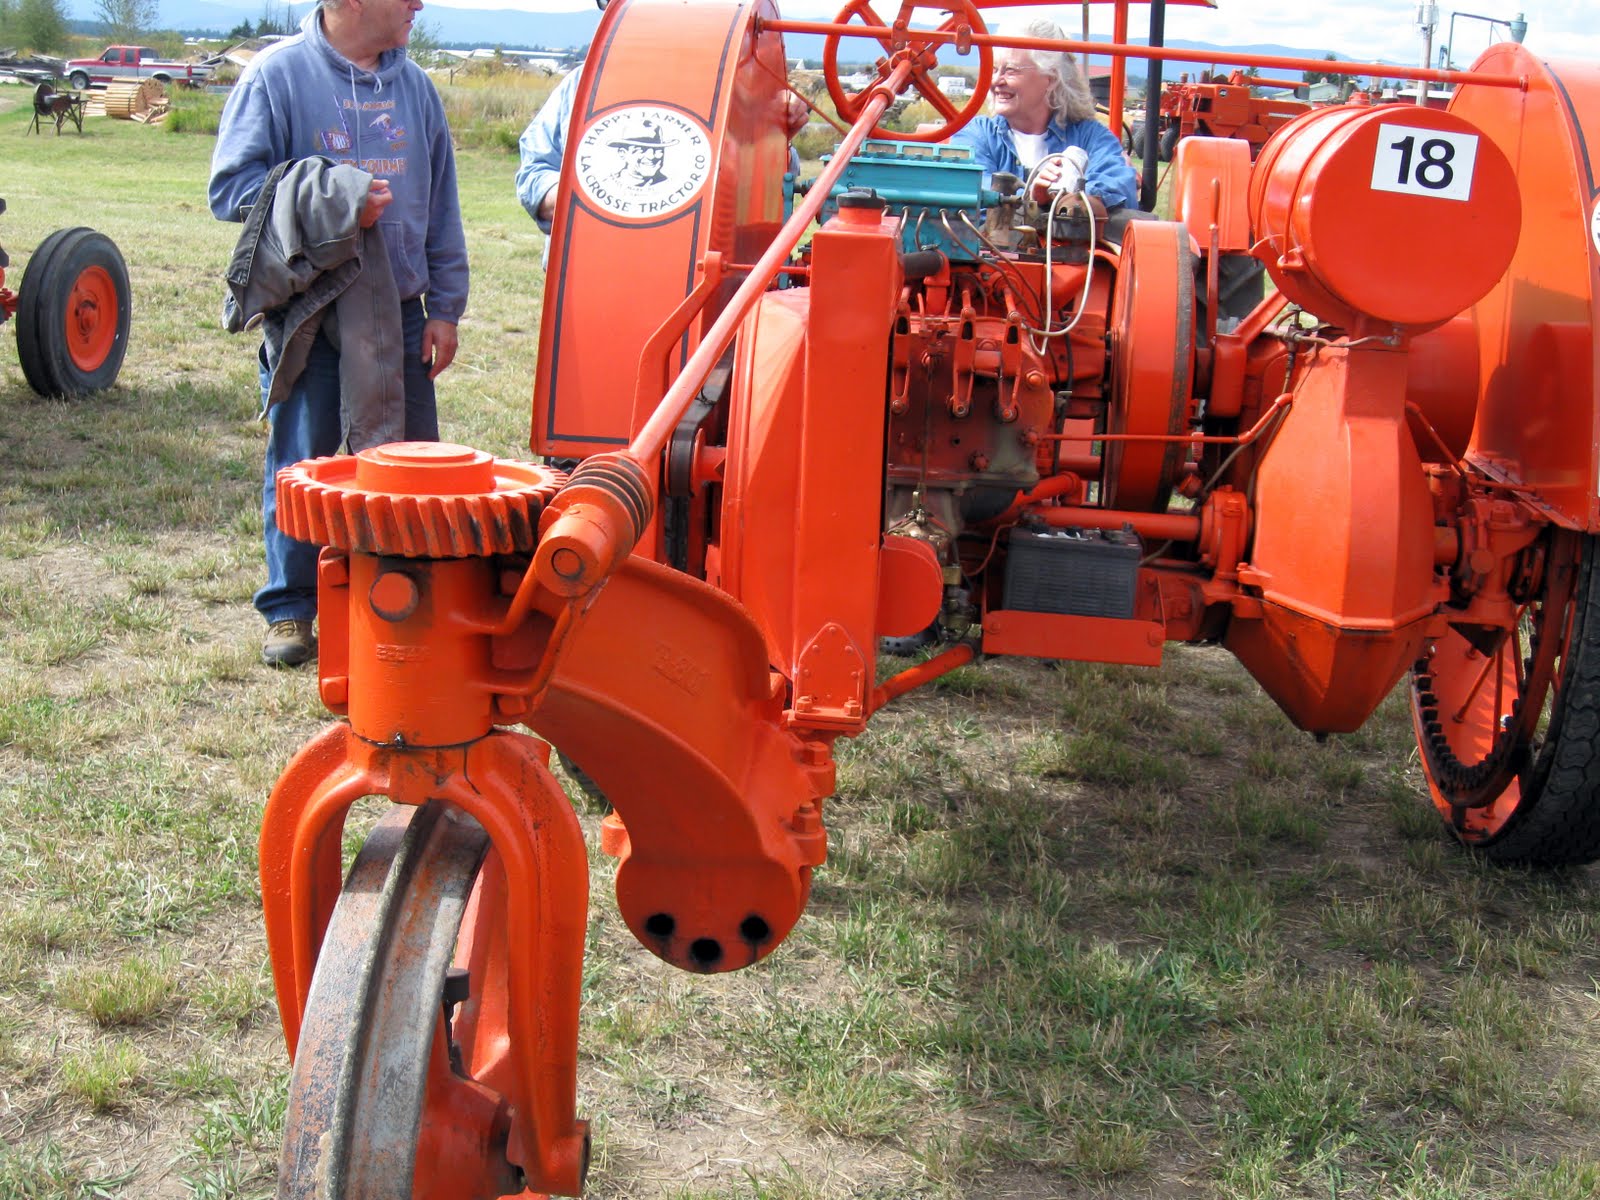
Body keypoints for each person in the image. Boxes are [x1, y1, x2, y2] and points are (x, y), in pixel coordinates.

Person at [209, 0, 468, 668]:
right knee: (303, 462)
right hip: (311, 309)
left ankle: (399, 597)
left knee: (406, 462)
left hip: (405, 312)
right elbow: (230, 189)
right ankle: (291, 611)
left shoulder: (416, 90)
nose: (418, 5)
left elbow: (442, 205)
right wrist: (333, 192)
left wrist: (446, 307)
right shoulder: (277, 76)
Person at [951, 18, 1139, 212]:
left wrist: (1063, 196)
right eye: (994, 70)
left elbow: (1120, 191)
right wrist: (1030, 196)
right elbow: (964, 193)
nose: (997, 81)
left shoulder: (1090, 137)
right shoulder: (977, 135)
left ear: (1050, 79)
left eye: (1011, 71)